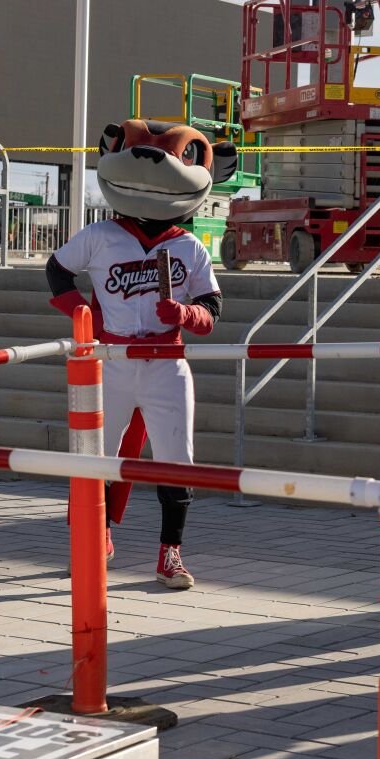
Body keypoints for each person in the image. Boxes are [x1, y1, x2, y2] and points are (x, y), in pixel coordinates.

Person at [47, 118, 235, 591]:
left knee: (176, 460)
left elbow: (213, 309)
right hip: (109, 360)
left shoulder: (189, 245)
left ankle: (169, 553)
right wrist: (80, 316)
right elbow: (56, 270)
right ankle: (94, 538)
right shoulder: (100, 235)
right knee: (96, 459)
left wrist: (187, 314)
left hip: (166, 363)